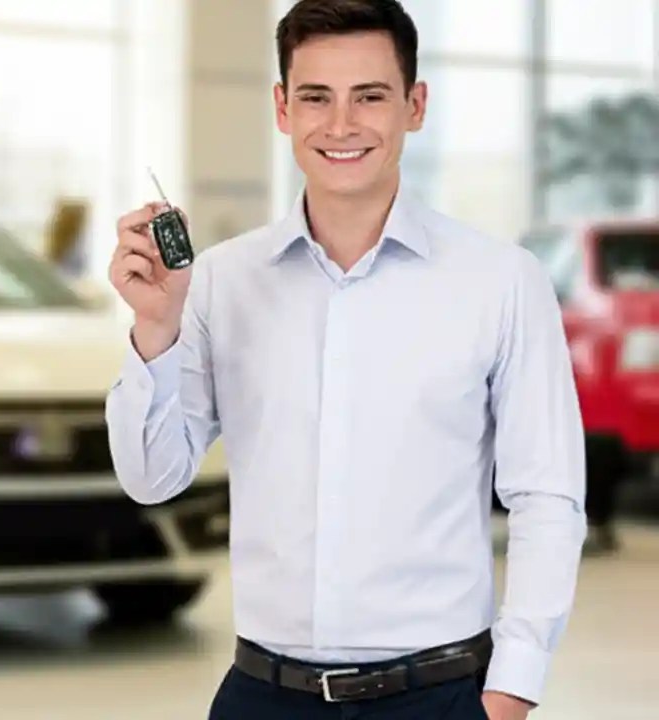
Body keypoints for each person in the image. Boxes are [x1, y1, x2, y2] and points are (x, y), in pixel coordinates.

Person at [104, 1, 587, 718]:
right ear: (282, 108)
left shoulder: (500, 281)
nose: (340, 126)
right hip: (261, 695)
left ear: (414, 106)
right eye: (315, 98)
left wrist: (512, 689)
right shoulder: (219, 282)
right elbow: (151, 479)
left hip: (441, 695)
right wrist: (155, 330)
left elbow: (547, 496)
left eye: (370, 96)